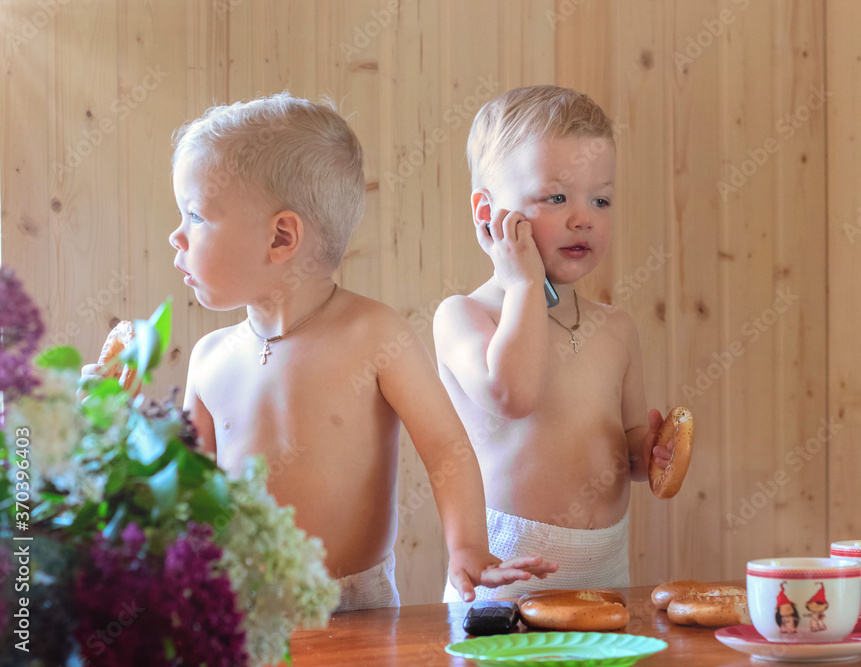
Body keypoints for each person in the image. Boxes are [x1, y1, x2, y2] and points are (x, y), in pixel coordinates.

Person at [86, 92, 556, 612]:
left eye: (195, 216)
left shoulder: (375, 334)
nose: (176, 236)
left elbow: (446, 446)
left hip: (355, 606)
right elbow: (191, 490)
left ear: (281, 237)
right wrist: (120, 431)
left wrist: (466, 544)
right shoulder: (209, 357)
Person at [434, 85, 673, 602]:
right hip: (507, 571)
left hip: (605, 572)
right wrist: (523, 285)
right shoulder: (464, 316)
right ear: (488, 213)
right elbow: (512, 396)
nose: (582, 216)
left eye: (601, 199)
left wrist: (652, 452)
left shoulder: (617, 328)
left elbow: (627, 453)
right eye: (556, 197)